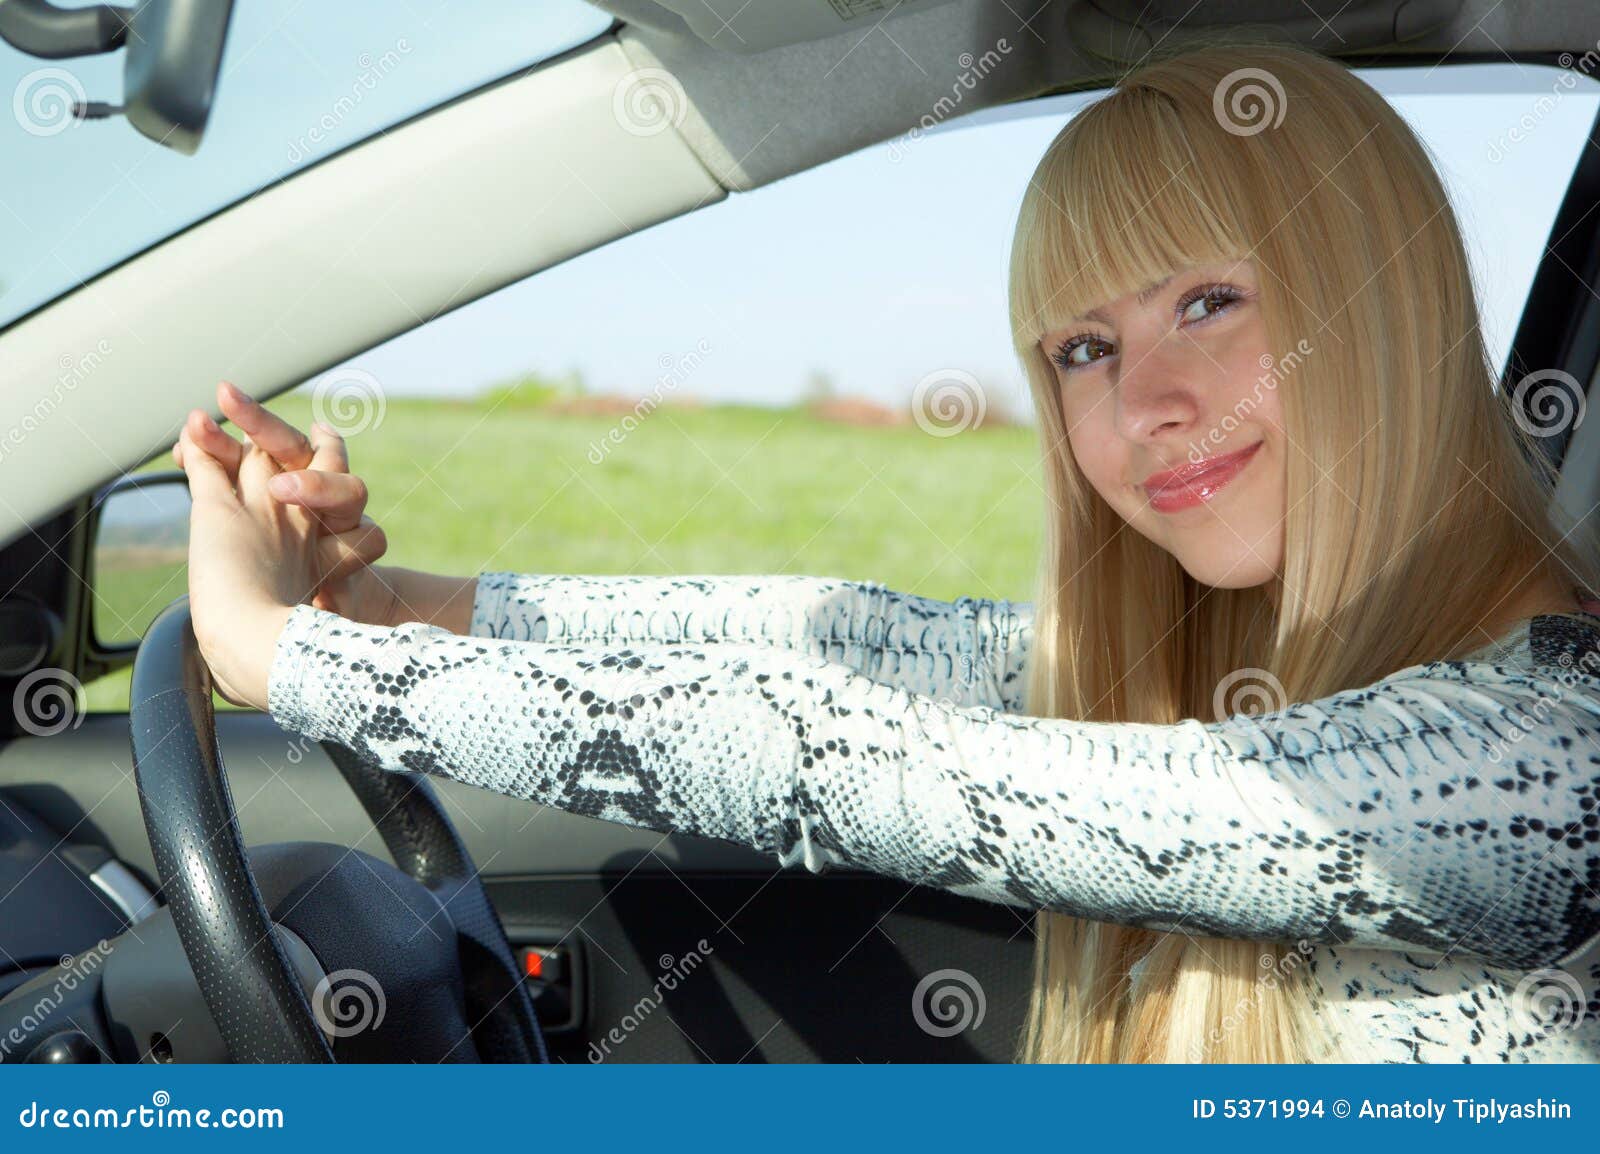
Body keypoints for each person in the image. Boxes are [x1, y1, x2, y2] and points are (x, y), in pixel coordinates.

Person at [175, 41, 1600, 1063]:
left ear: (1382, 302)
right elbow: (840, 643)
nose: (1147, 404)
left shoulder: (1546, 755)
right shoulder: (1252, 655)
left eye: (1213, 301)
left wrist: (281, 653)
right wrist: (401, 608)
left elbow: (865, 763)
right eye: (1085, 348)